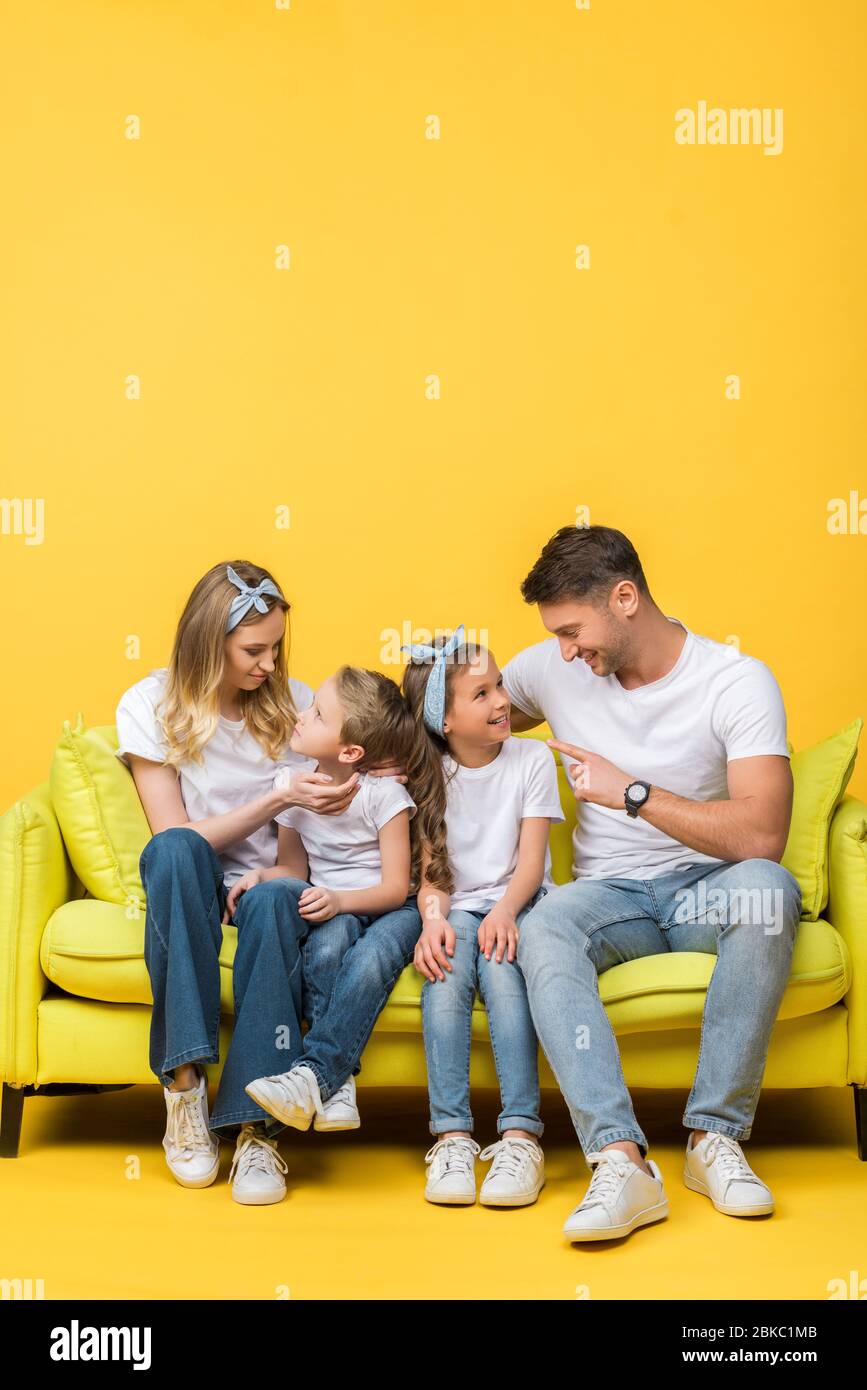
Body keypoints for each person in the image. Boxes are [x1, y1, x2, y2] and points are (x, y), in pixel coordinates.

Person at [501, 525, 802, 1241]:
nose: (568, 650)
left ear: (625, 597)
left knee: (767, 886)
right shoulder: (553, 667)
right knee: (544, 921)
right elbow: (458, 714)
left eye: (574, 630)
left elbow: (762, 835)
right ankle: (620, 1160)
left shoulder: (734, 680)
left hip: (709, 887)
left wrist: (631, 793)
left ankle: (713, 1139)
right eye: (558, 636)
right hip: (612, 900)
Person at [116, 560, 401, 1205]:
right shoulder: (149, 704)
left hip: (275, 884)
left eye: (276, 647)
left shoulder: (301, 705)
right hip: (192, 882)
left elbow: (346, 799)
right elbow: (175, 835)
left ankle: (257, 1128)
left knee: (275, 896)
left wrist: (388, 783)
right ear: (207, 642)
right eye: (253, 650)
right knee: (175, 853)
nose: (269, 665)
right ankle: (185, 1086)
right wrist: (275, 801)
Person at [402, 625, 564, 1207]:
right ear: (443, 721)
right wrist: (431, 920)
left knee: (503, 978)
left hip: (518, 903)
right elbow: (431, 874)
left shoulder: (531, 760)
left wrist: (505, 912)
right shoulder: (430, 777)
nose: (502, 702)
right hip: (460, 907)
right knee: (442, 980)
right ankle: (451, 1137)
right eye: (481, 695)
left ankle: (521, 1135)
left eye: (499, 686)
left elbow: (530, 864)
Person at [231, 665, 425, 1143]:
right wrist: (259, 874)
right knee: (325, 948)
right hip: (334, 907)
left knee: (371, 956)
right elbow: (294, 871)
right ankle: (339, 1085)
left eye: (316, 714)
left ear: (351, 751)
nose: (300, 715)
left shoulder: (384, 795)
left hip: (393, 909)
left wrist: (340, 899)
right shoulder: (292, 788)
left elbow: (397, 888)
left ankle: (319, 1076)